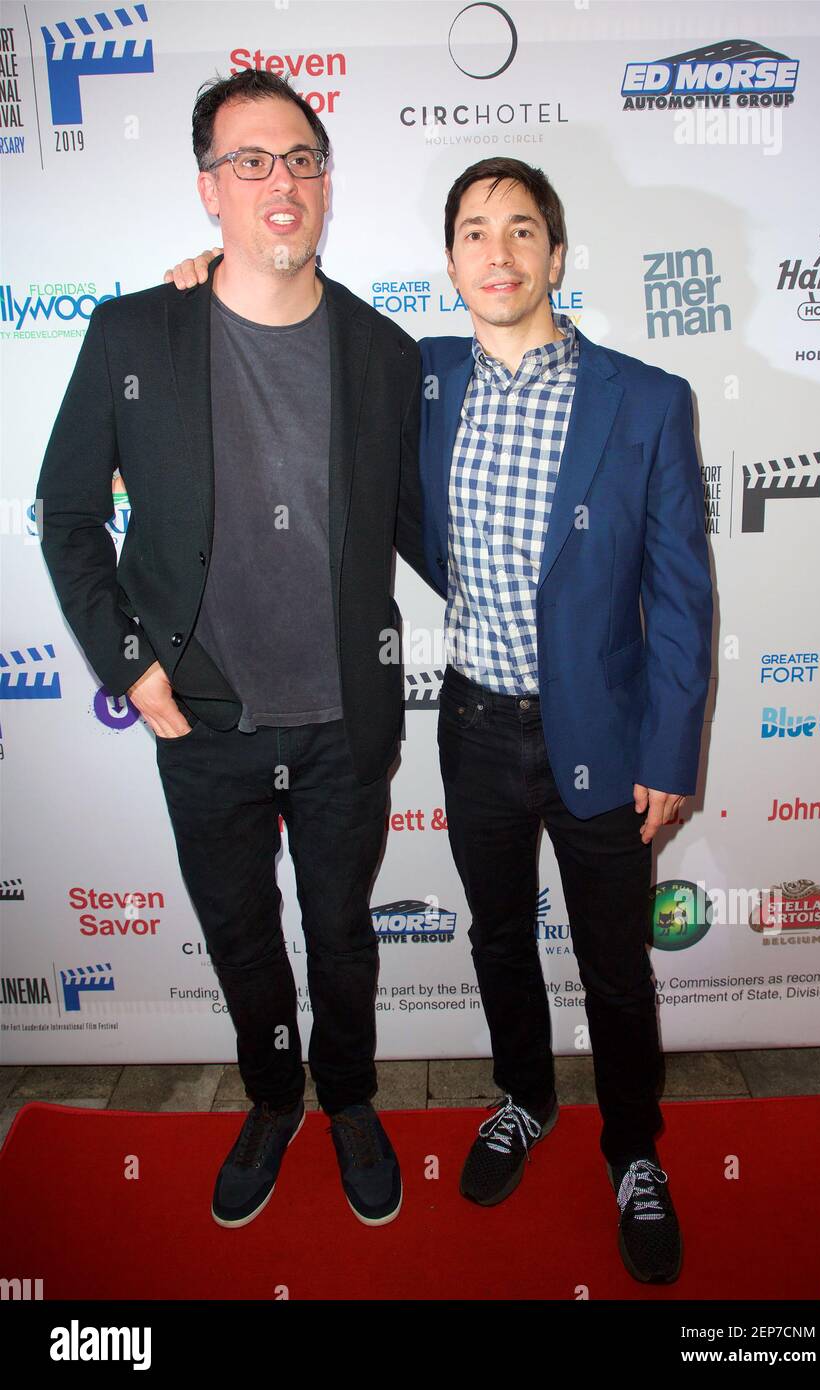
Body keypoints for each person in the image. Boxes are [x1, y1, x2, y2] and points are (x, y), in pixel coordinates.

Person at [166, 156, 714, 1286]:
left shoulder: (646, 399)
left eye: (521, 232)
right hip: (473, 724)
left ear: (555, 256)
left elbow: (682, 592)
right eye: (473, 232)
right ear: (451, 260)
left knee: (615, 962)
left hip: (604, 734)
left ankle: (631, 1148)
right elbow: (293, 330)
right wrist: (200, 282)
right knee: (499, 938)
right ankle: (523, 1100)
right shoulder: (420, 376)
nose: (498, 253)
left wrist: (668, 747)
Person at [36, 69, 428, 1232]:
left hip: (344, 716)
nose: (281, 180)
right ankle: (272, 1096)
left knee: (341, 930)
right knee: (241, 932)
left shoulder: (382, 349)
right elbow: (65, 513)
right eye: (250, 160)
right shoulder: (133, 330)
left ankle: (348, 1096)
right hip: (197, 713)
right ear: (209, 188)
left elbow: (418, 523)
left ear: (323, 182)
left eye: (300, 158)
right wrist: (128, 663)